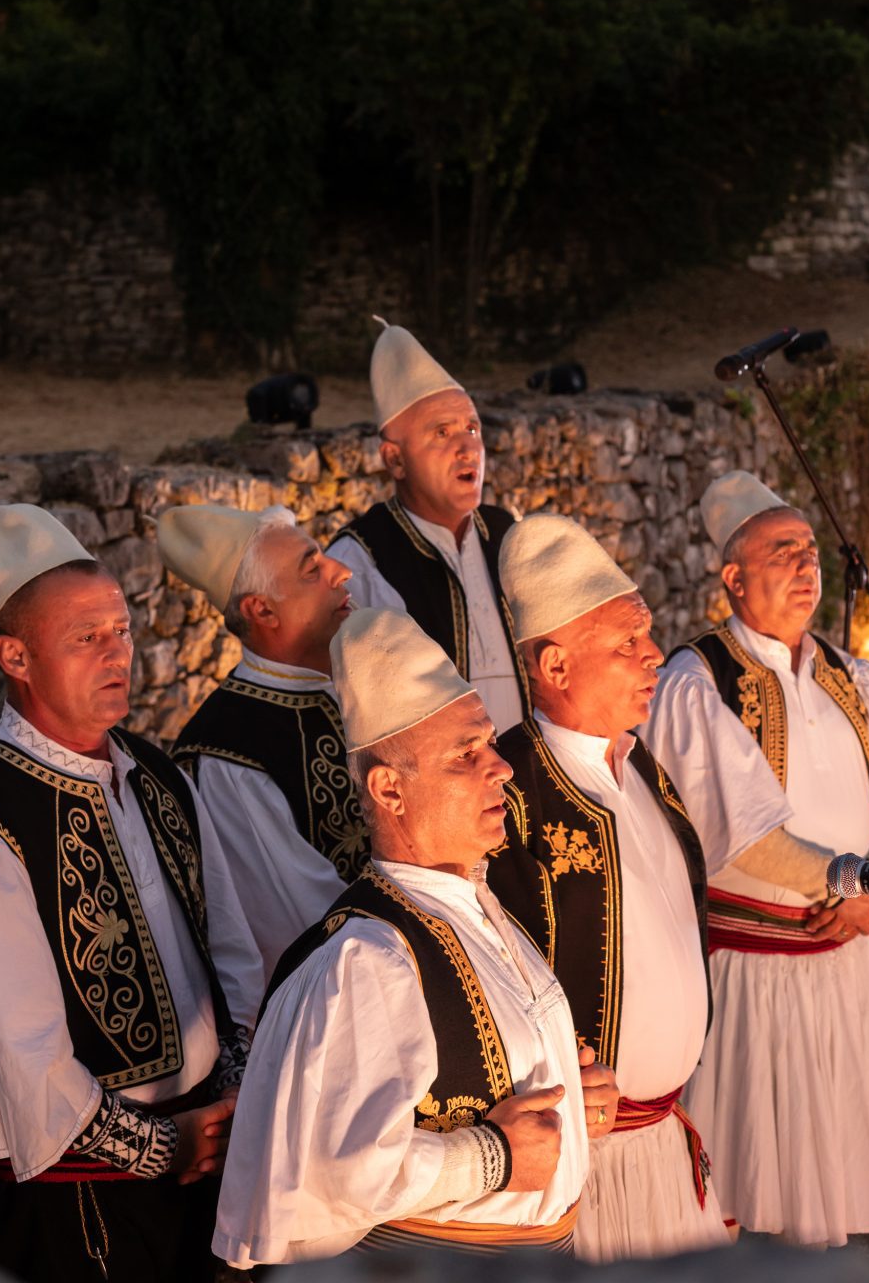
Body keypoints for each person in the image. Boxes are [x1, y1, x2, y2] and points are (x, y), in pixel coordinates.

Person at [213, 607, 618, 1267]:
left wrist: (580, 1098)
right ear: (389, 789)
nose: (502, 769)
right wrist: (495, 1156)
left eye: (488, 744)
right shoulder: (369, 960)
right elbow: (343, 1169)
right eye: (466, 755)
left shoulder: (484, 911)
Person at [0, 503, 264, 1283]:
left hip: (207, 1167)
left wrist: (235, 1099)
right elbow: (27, 1073)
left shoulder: (156, 774)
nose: (117, 654)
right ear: (15, 656)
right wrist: (167, 1146)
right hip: (75, 1212)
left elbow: (231, 954)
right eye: (85, 639)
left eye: (119, 631)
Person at [644, 470, 869, 1248]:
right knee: (756, 1148)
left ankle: (836, 1245)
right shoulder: (696, 681)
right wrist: (857, 883)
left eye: (810, 550)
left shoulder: (855, 677)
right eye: (782, 552)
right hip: (754, 963)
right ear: (733, 577)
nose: (807, 564)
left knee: (840, 1125)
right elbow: (744, 836)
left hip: (848, 947)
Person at [486, 514, 728, 1261]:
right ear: (555, 667)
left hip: (662, 1133)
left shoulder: (642, 768)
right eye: (627, 642)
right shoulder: (508, 795)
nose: (655, 655)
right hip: (581, 1166)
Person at [160, 502, 367, 978]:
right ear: (262, 610)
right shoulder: (228, 756)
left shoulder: (354, 683)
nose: (343, 571)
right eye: (312, 568)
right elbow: (303, 926)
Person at [326, 318, 528, 732]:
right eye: (442, 432)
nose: (467, 447)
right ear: (394, 459)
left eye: (473, 428)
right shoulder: (358, 561)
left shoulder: (508, 535)